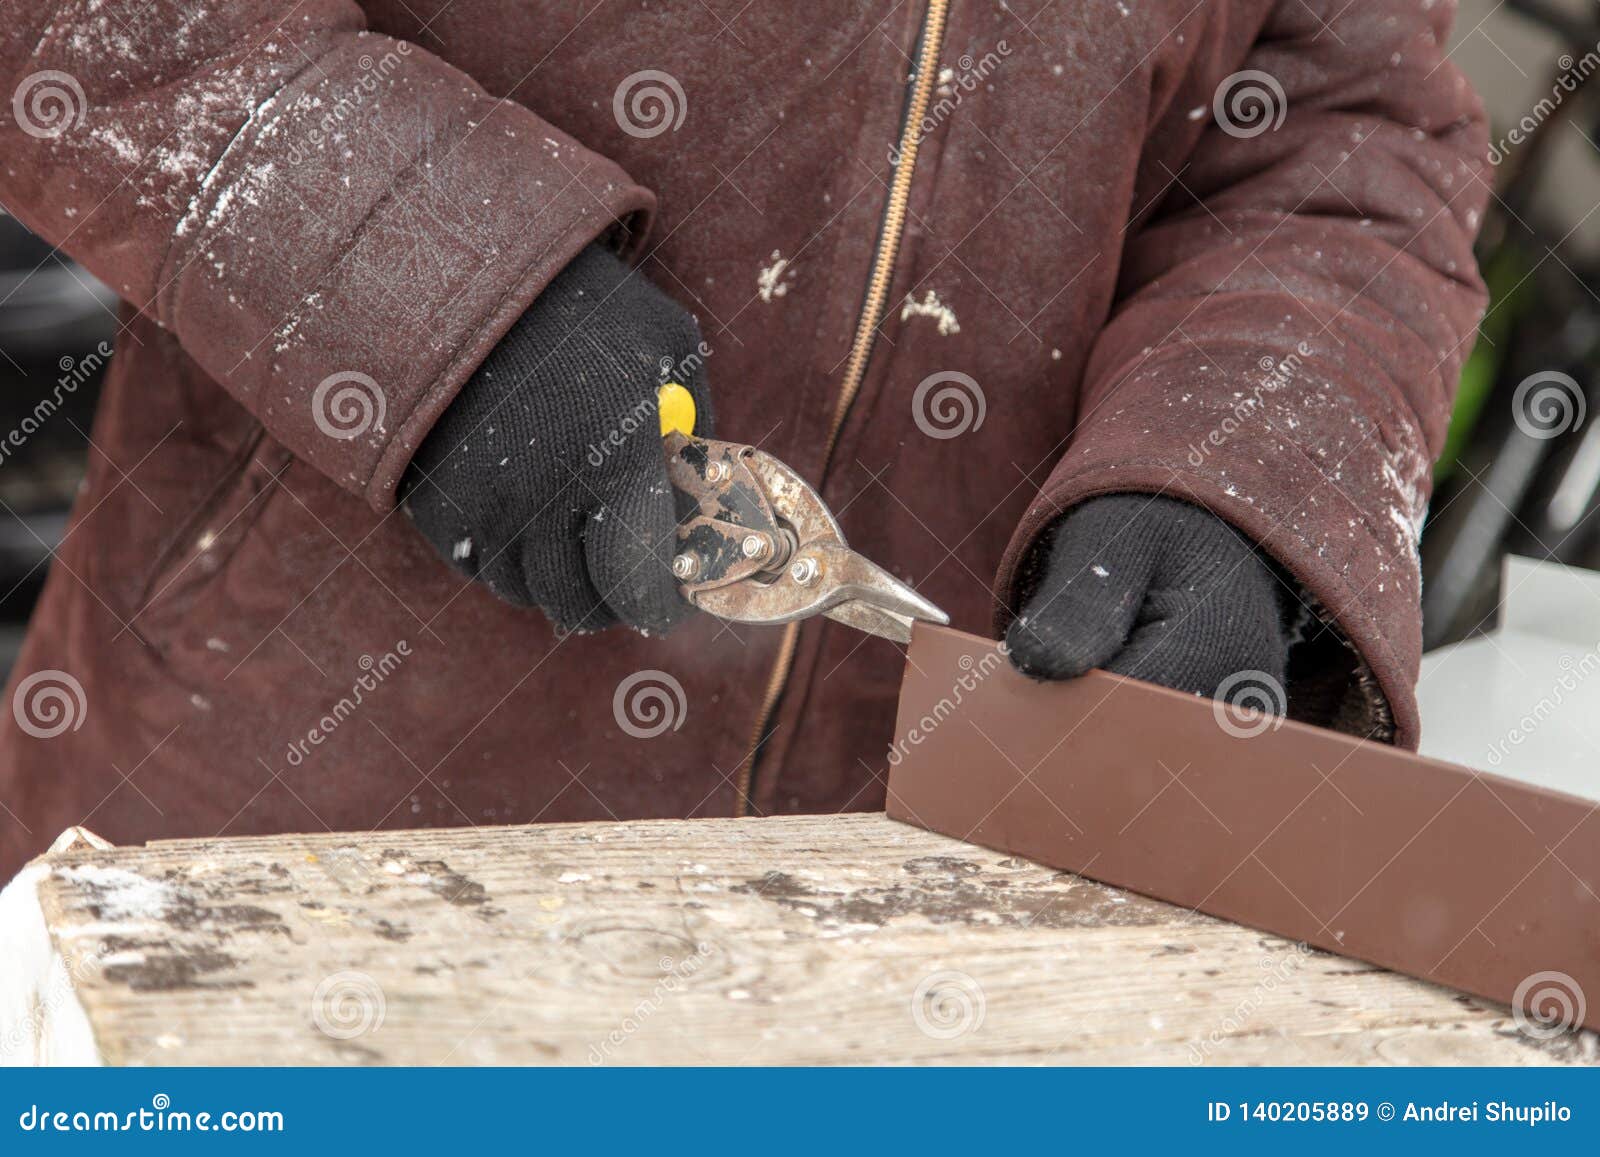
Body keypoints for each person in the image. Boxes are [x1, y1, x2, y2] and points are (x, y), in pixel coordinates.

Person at [0, 1, 1487, 880]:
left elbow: (1343, 119)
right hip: (289, 819)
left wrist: (1241, 465)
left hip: (913, 895)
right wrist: (417, 277)